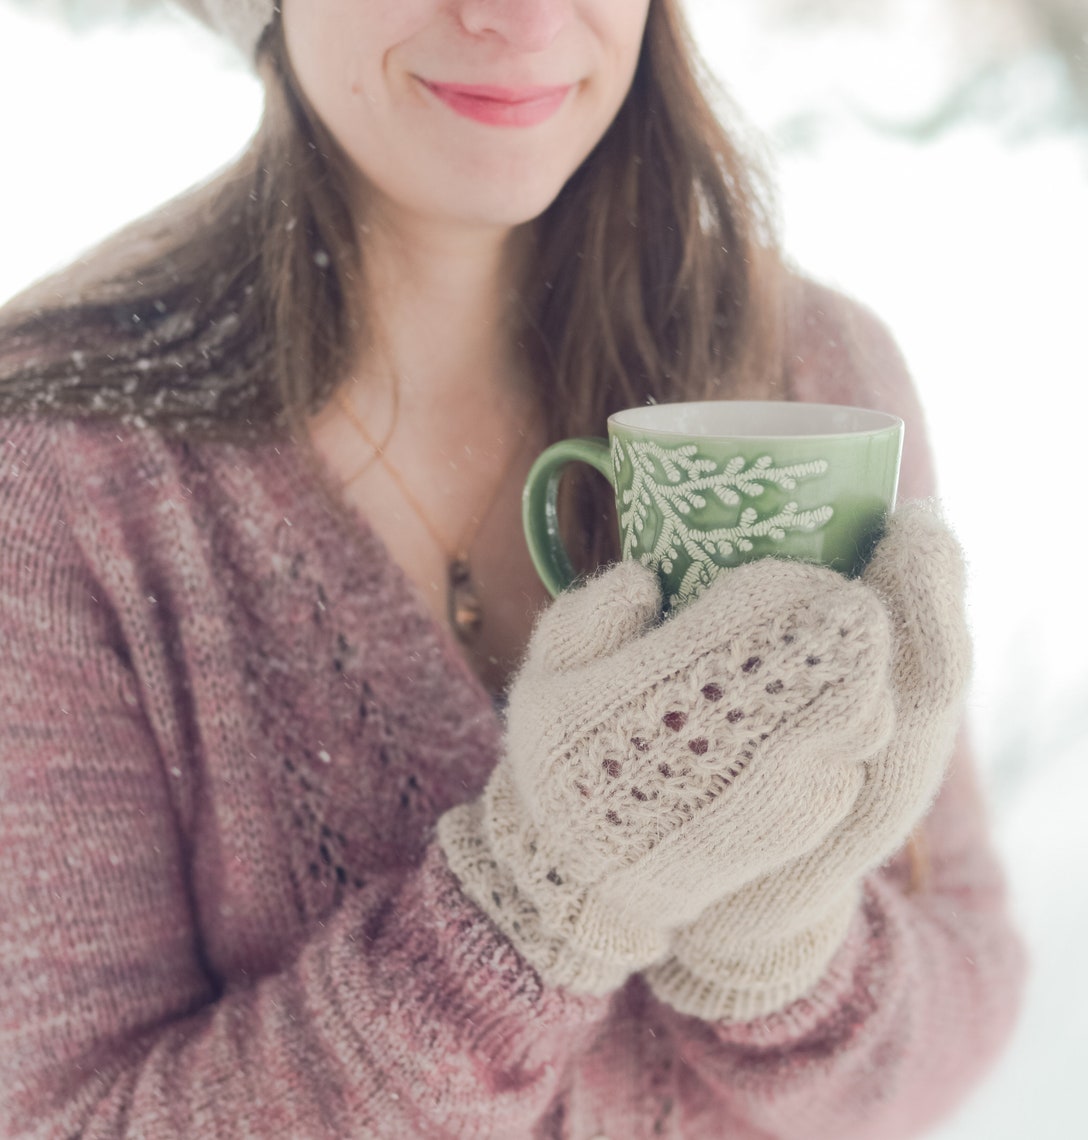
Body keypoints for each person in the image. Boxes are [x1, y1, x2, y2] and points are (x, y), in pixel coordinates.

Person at [0, 2, 1025, 1136]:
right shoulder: (58, 478)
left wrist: (785, 957)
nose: (522, 14)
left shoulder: (811, 374)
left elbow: (968, 975)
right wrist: (533, 907)